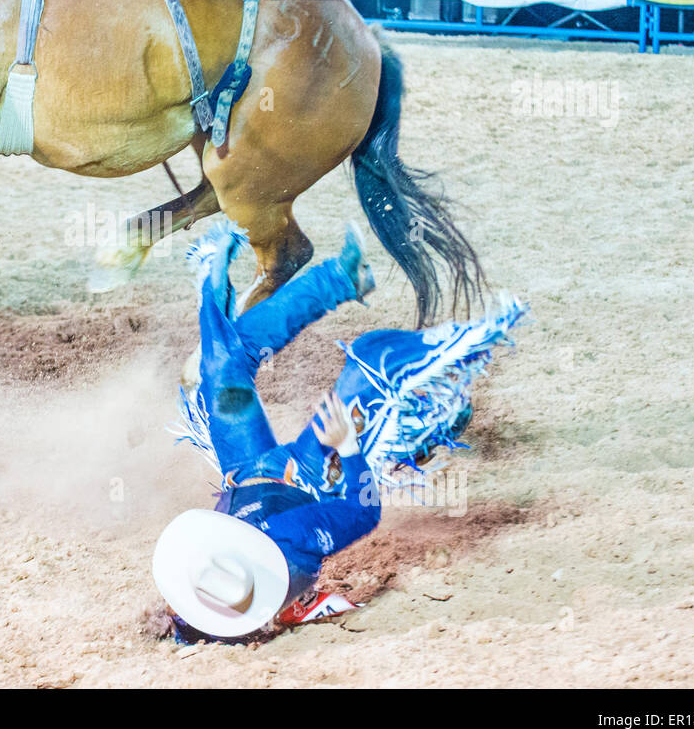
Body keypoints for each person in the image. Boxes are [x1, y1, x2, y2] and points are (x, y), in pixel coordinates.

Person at [153, 221, 528, 642]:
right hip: (311, 477)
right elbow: (363, 512)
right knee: (368, 363)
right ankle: (444, 388)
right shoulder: (294, 538)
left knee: (224, 363)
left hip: (243, 468)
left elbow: (189, 616)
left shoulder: (213, 579)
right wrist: (347, 447)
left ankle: (322, 279)